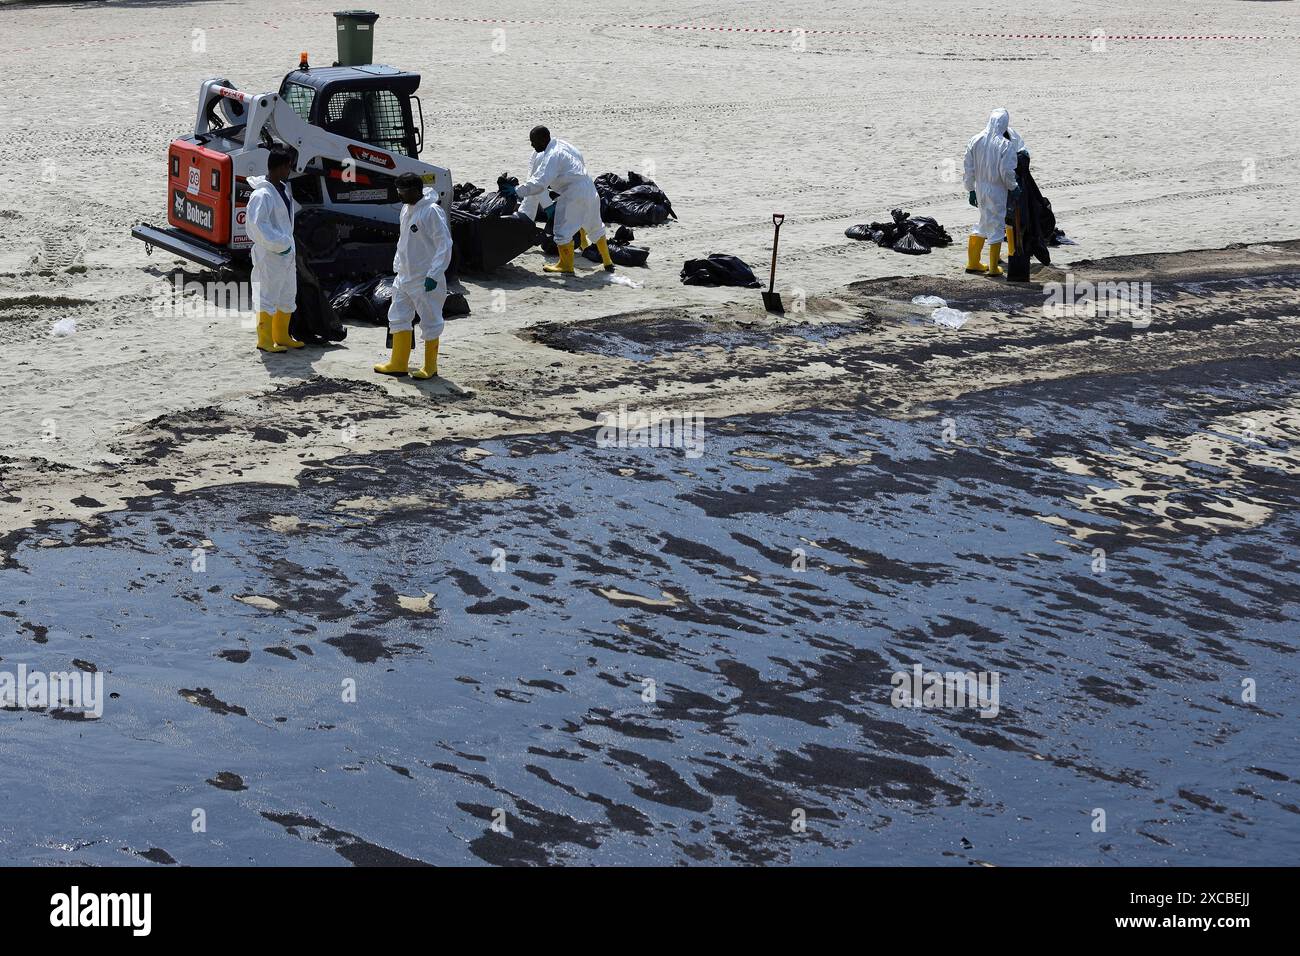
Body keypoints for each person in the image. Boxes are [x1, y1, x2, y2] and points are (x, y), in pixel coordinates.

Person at [374, 172, 453, 379]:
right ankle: (398, 363)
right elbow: (404, 242)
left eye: (403, 191)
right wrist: (398, 266)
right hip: (404, 276)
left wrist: (434, 274)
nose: (399, 195)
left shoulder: (431, 212)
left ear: (416, 190)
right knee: (398, 316)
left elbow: (444, 244)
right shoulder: (406, 210)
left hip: (424, 278)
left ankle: (430, 366)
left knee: (430, 320)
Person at [506, 126, 614, 274]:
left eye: (533, 142)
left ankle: (566, 266)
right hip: (589, 188)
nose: (532, 145)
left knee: (562, 231)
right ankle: (608, 262)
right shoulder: (564, 146)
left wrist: (517, 190)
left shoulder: (551, 156)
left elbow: (539, 183)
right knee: (595, 225)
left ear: (543, 140)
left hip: (573, 193)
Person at [245, 146, 303, 351]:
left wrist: (287, 247)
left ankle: (282, 335)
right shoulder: (262, 195)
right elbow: (257, 227)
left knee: (287, 294)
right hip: (270, 255)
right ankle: (265, 339)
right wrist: (281, 244)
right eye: (288, 167)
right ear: (280, 167)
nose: (290, 171)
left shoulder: (282, 189)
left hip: (285, 254)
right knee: (267, 295)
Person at [962, 109, 1020, 277]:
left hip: (980, 188)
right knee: (996, 225)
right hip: (997, 189)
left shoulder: (975, 139)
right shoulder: (1005, 144)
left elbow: (968, 168)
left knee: (983, 222)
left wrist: (970, 189)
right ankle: (994, 268)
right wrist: (1013, 187)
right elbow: (1006, 171)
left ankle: (973, 263)